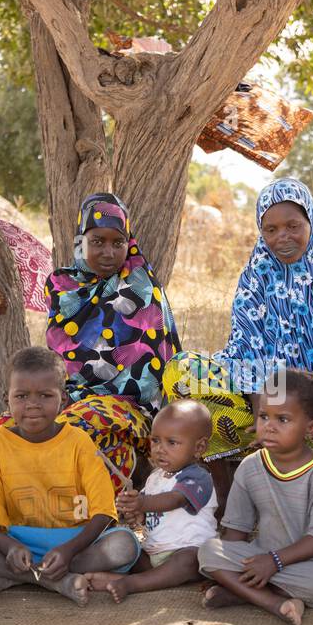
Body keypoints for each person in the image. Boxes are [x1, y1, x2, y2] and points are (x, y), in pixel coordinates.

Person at [163, 178, 313, 508]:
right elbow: (248, 350)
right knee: (181, 370)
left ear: (311, 219)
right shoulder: (256, 274)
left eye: (293, 225)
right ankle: (227, 505)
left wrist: (303, 405)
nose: (282, 237)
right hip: (264, 405)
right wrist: (267, 420)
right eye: (271, 229)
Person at [0, 346, 141, 607]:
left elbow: (104, 513)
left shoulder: (78, 442)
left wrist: (69, 549)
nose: (33, 405)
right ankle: (51, 581)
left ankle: (9, 579)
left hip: (71, 543)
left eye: (44, 395)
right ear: (7, 400)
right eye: (22, 396)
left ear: (62, 399)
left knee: (124, 544)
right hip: (15, 544)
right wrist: (9, 547)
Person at [40, 192, 183, 489]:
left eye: (118, 242)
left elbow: (151, 378)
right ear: (81, 242)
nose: (108, 252)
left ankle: (87, 513)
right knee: (8, 429)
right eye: (97, 242)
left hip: (128, 408)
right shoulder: (62, 287)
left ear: (128, 242)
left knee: (79, 428)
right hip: (69, 398)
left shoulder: (140, 289)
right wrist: (59, 394)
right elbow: (57, 361)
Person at [198, 370, 313, 625]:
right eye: (264, 416)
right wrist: (227, 567)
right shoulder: (250, 467)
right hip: (260, 555)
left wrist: (274, 562)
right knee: (208, 551)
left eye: (283, 419)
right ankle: (274, 602)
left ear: (311, 428)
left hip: (307, 563)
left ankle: (244, 593)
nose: (268, 425)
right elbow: (235, 532)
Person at [85, 399, 218, 603]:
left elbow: (174, 500)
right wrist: (134, 514)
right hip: (154, 552)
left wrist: (142, 503)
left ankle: (130, 584)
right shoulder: (155, 477)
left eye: (171, 443)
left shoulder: (198, 477)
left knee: (189, 561)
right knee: (130, 550)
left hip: (187, 551)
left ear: (199, 447)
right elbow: (149, 515)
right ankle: (132, 577)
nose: (160, 449)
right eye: (156, 440)